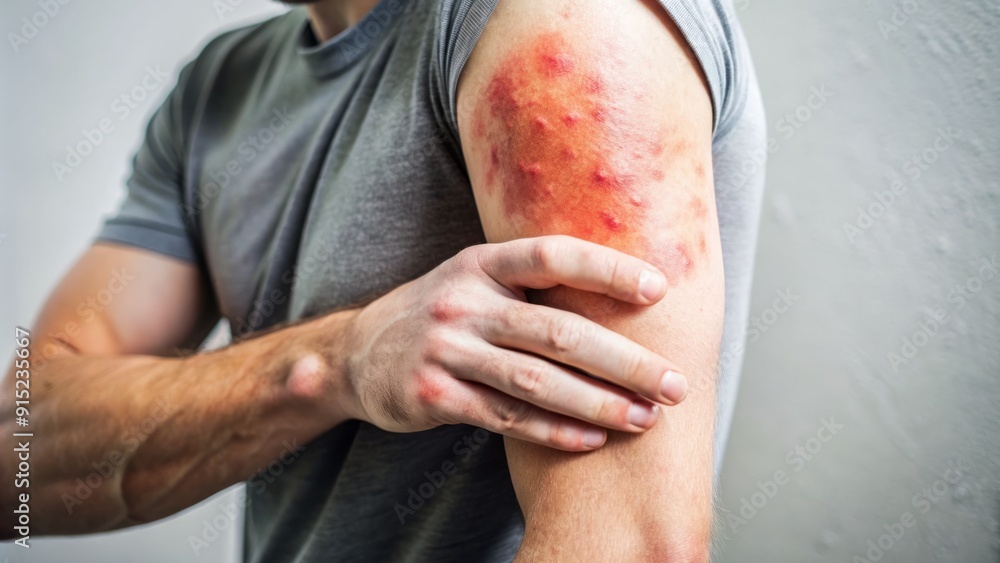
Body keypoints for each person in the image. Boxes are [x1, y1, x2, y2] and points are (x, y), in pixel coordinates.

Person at [1, 0, 765, 560]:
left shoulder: (562, 19)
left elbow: (628, 548)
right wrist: (332, 362)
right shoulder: (217, 90)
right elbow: (17, 459)